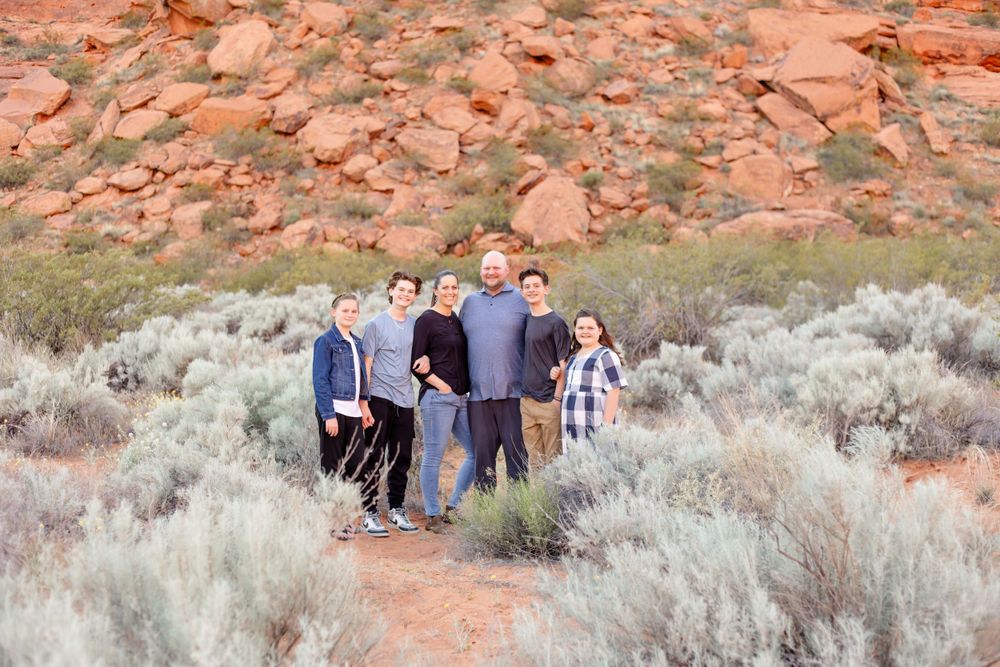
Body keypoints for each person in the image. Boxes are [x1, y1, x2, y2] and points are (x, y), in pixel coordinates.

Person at [360, 271, 424, 536]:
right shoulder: (376, 324)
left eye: (410, 291)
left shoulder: (416, 325)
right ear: (391, 290)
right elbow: (367, 365)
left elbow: (422, 356)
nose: (405, 294)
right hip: (378, 397)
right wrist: (364, 404)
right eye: (401, 289)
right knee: (373, 455)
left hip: (405, 398)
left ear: (415, 295)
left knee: (401, 456)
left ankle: (397, 509)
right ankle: (370, 512)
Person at [411, 270, 475, 533]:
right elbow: (416, 362)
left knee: (478, 450)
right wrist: (442, 385)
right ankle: (432, 515)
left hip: (461, 398)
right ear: (435, 291)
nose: (450, 292)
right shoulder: (427, 320)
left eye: (454, 287)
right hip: (438, 398)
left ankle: (454, 506)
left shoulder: (455, 320)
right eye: (445, 287)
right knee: (434, 456)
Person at [460, 251, 531, 489]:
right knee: (483, 464)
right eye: (486, 268)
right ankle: (485, 517)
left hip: (514, 395)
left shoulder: (523, 299)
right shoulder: (469, 303)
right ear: (481, 270)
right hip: (478, 397)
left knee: (517, 460)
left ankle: (520, 517)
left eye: (496, 268)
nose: (490, 272)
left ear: (507, 270)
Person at [312, 293, 375, 541]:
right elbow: (320, 380)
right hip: (334, 412)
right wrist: (329, 415)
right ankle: (333, 522)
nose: (349, 314)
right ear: (333, 312)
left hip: (353, 413)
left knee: (354, 466)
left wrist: (364, 408)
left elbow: (362, 380)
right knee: (332, 468)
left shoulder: (357, 342)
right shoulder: (326, 341)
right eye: (345, 310)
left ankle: (345, 518)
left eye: (353, 311)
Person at [518, 267, 571, 468]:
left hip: (550, 401)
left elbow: (564, 364)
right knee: (535, 463)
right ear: (522, 292)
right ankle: (540, 500)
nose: (531, 290)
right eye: (527, 287)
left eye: (536, 286)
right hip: (527, 402)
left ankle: (556, 501)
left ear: (546, 289)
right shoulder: (526, 320)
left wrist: (557, 399)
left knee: (554, 462)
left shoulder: (556, 323)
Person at [561, 308, 628, 446]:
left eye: (590, 327)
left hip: (595, 426)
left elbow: (614, 391)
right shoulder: (573, 358)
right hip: (572, 426)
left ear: (600, 330)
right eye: (580, 327)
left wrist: (606, 428)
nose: (585, 331)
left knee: (596, 465)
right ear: (575, 330)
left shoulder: (605, 355)